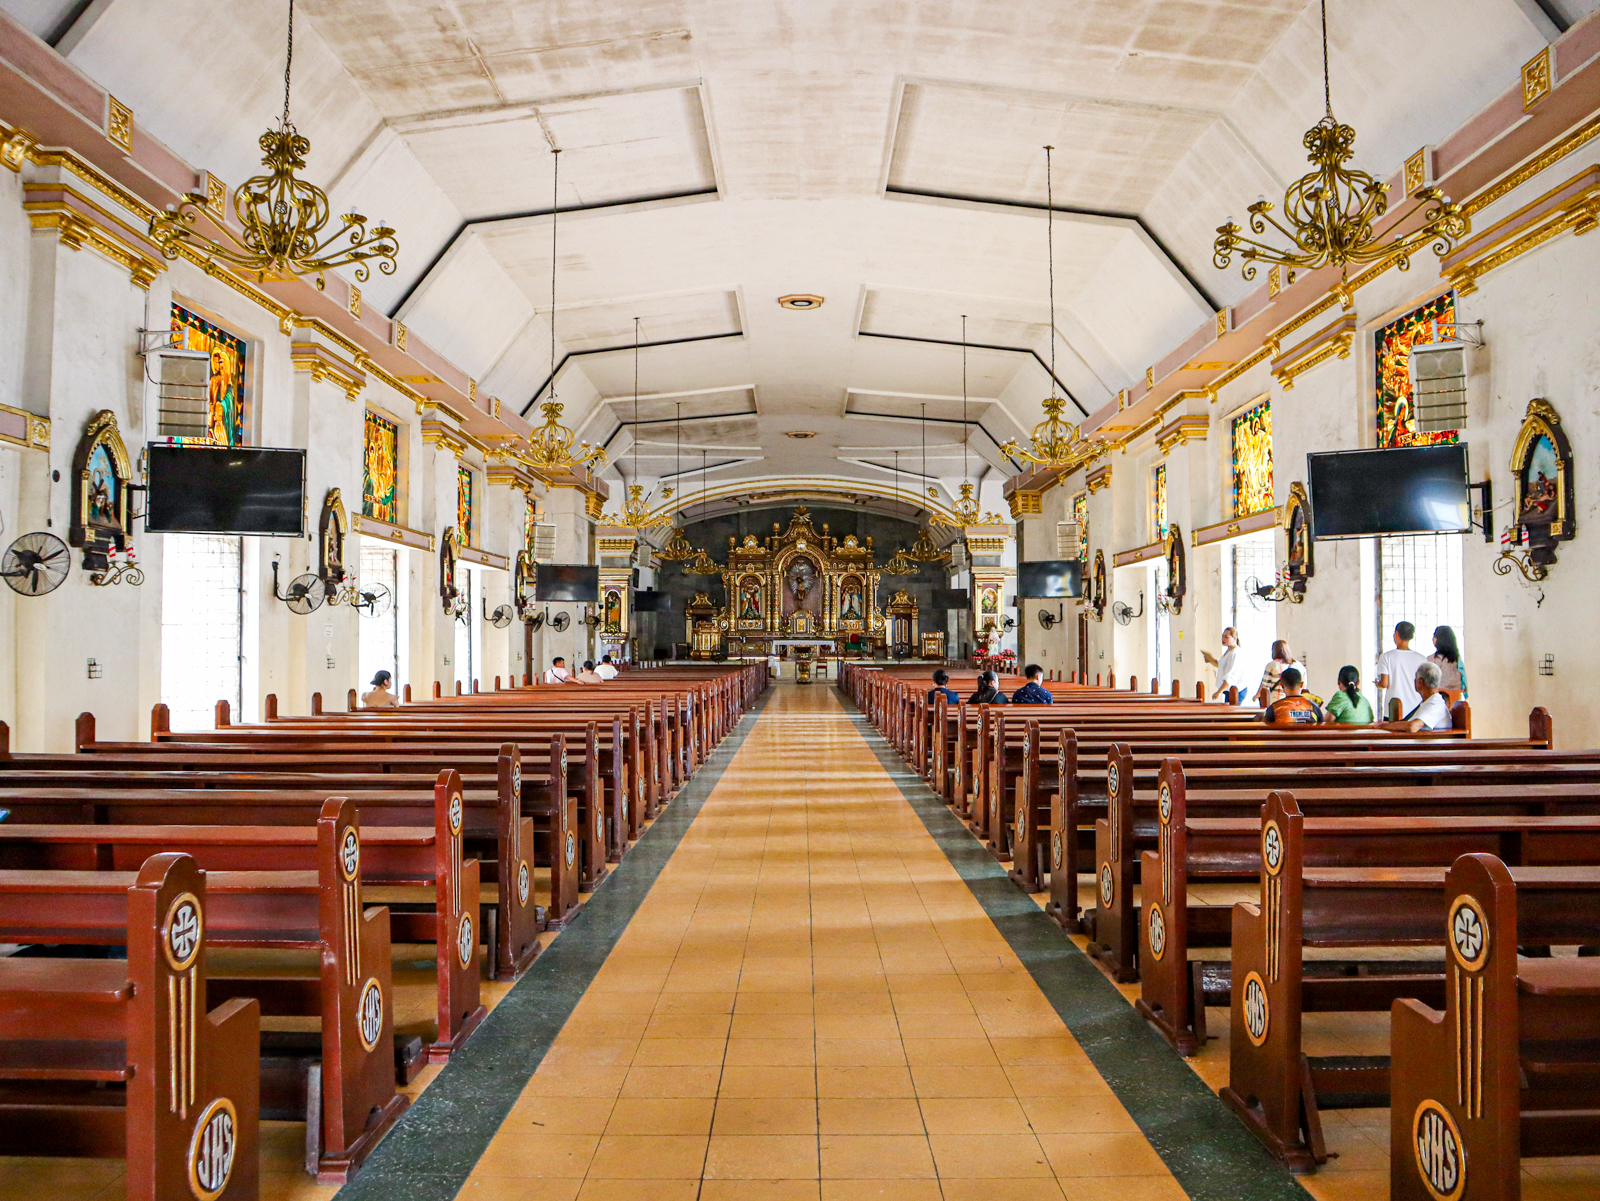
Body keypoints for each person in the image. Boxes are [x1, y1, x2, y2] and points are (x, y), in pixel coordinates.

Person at [1375, 621, 1429, 721]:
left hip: (1393, 710)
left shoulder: (1386, 657)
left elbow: (1384, 683)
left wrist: (1378, 684)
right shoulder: (1422, 659)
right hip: (1416, 709)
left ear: (1396, 634)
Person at [1382, 661, 1453, 732]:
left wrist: (1380, 726)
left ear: (1420, 682)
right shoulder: (1429, 701)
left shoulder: (1435, 704)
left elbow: (1412, 726)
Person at [1255, 640, 1298, 708]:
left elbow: (1265, 686)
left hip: (1276, 700)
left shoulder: (1272, 665)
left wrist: (1256, 696)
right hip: (1292, 702)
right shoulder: (1296, 665)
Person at [1211, 627, 1249, 703]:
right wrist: (1210, 660)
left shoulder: (1235, 653)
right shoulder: (1229, 651)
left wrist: (1219, 692)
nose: (1223, 639)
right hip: (1229, 690)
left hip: (1235, 690)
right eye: (1222, 636)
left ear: (1234, 638)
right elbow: (1222, 665)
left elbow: (1231, 675)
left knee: (1231, 712)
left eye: (1226, 637)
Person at [1428, 626, 1466, 698]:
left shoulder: (1431, 660)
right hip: (1456, 698)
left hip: (1438, 698)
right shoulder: (1458, 660)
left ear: (1435, 640)